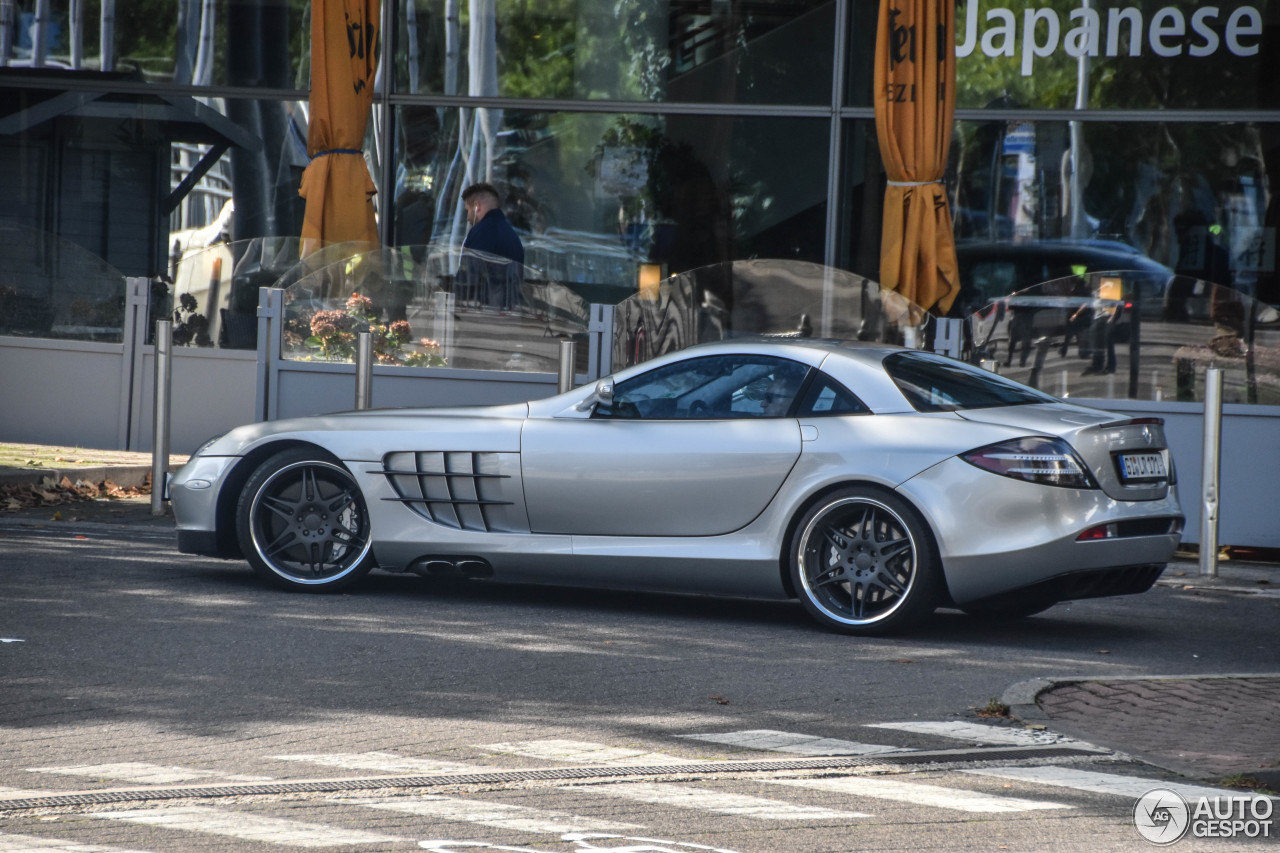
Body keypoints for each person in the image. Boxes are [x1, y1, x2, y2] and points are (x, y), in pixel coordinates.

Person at [459, 182, 525, 310]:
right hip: (508, 306)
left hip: (487, 308)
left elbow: (469, 277)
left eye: (468, 210)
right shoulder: (511, 234)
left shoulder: (481, 232)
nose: (467, 217)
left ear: (477, 207)